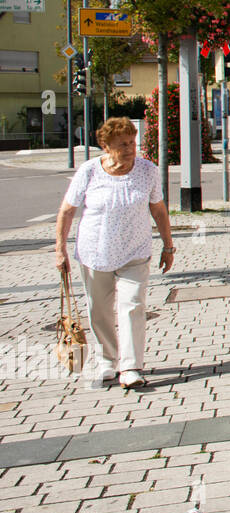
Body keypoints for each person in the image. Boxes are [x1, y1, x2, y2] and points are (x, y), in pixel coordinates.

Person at [54, 117, 174, 390]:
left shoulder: (148, 171)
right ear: (106, 146)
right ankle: (108, 362)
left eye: (133, 142)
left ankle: (131, 367)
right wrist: (60, 249)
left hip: (135, 251)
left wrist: (168, 245)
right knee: (99, 310)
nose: (131, 149)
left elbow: (158, 209)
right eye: (122, 144)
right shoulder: (89, 171)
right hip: (95, 252)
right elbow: (67, 211)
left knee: (132, 306)